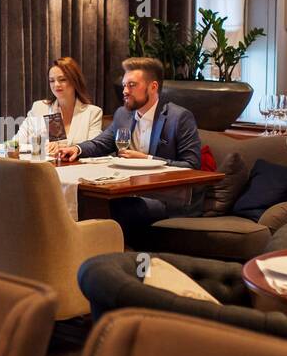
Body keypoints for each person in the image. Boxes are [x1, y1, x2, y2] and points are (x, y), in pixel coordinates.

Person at [60, 57, 202, 240]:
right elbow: (102, 143)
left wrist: (147, 159)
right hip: (127, 190)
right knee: (85, 200)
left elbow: (192, 165)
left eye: (132, 85)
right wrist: (76, 149)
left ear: (153, 87)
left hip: (167, 198)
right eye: (124, 85)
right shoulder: (123, 114)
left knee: (118, 207)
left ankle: (114, 258)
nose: (125, 91)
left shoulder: (179, 118)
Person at [12, 57, 103, 153]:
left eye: (62, 79)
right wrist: (42, 146)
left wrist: (67, 149)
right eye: (51, 80)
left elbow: (94, 149)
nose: (56, 85)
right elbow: (14, 144)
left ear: (75, 81)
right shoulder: (40, 107)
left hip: (77, 166)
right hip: (46, 166)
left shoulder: (93, 112)